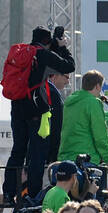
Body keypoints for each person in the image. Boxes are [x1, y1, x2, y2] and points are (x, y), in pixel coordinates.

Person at [4, 27, 75, 203]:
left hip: (16, 107)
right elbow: (69, 66)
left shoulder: (22, 53)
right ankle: (33, 194)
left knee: (18, 150)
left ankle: (8, 191)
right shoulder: (42, 55)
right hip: (36, 110)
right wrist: (62, 47)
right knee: (37, 153)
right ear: (47, 41)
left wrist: (54, 46)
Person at [25, 70, 68, 199]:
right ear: (54, 76)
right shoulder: (51, 92)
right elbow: (56, 127)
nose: (68, 81)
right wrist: (53, 155)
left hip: (34, 154)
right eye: (66, 77)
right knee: (43, 195)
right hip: (44, 155)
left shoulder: (30, 89)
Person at [56, 71, 108, 166]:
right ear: (98, 86)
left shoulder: (70, 101)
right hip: (86, 159)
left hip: (65, 158)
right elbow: (100, 135)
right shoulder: (93, 103)